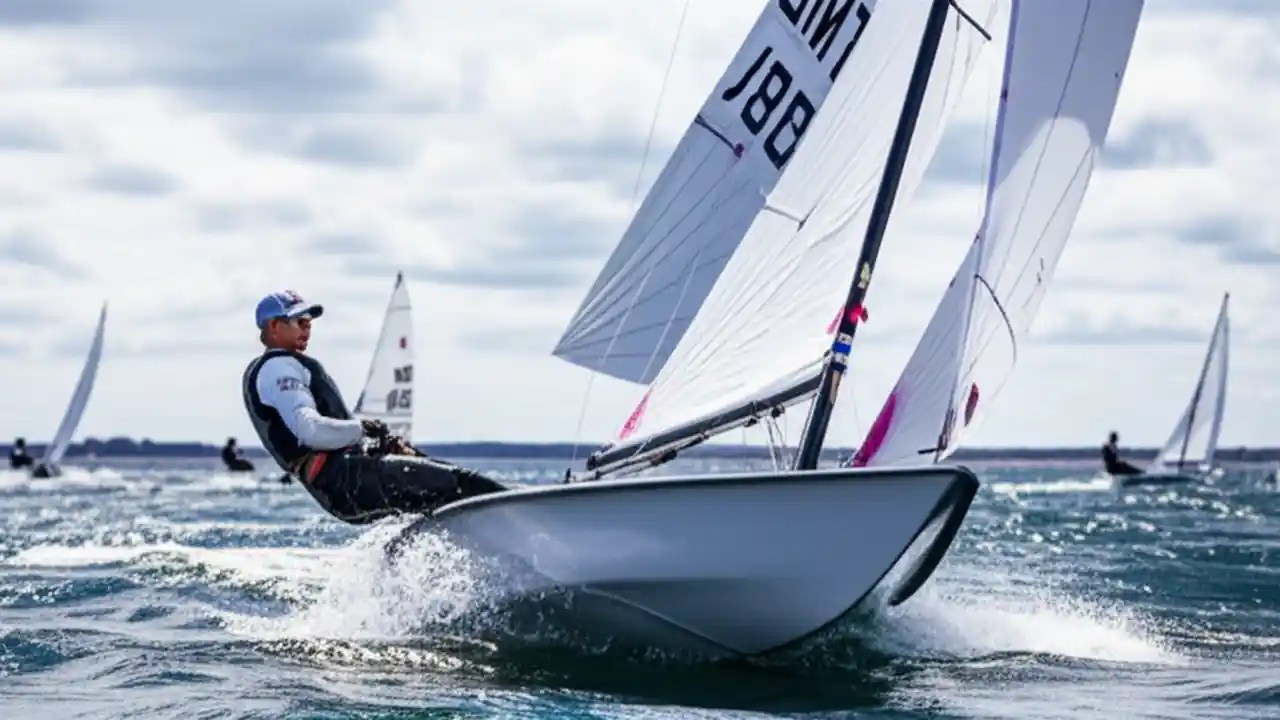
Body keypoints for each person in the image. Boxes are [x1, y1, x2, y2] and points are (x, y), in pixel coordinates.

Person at [240, 289, 504, 524]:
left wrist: (373, 443)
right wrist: (362, 430)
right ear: (274, 326)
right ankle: (520, 514)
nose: (307, 330)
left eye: (309, 323)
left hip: (343, 483)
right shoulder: (277, 368)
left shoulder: (282, 366)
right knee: (463, 483)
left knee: (439, 498)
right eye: (300, 322)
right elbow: (310, 430)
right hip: (345, 480)